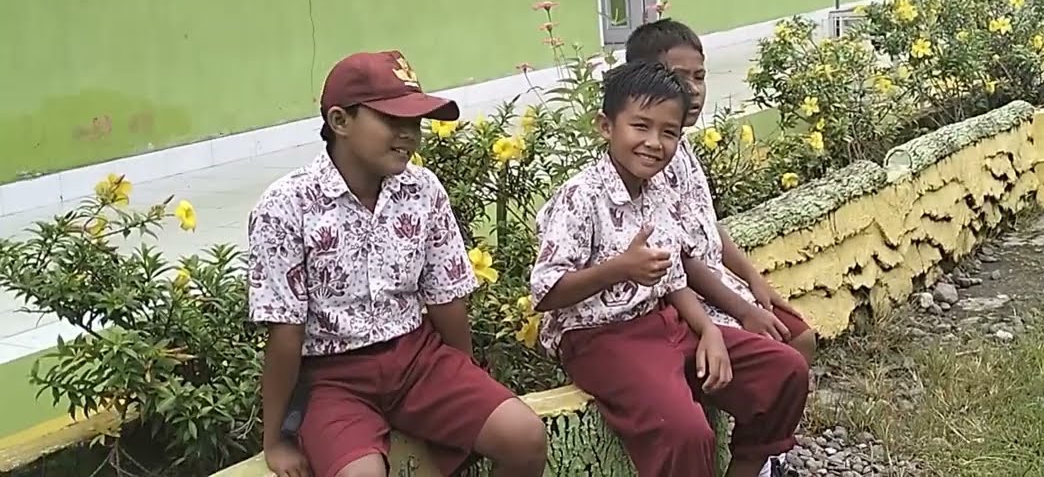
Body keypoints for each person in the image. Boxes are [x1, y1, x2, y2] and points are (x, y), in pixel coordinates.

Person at [248, 50, 547, 477]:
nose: (408, 134)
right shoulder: (286, 205)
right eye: (392, 120)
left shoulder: (423, 190)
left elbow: (446, 297)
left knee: (524, 437)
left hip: (418, 360)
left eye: (415, 122)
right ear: (340, 121)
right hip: (333, 379)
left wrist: (467, 380)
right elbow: (285, 332)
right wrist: (275, 438)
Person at [530, 60, 810, 477]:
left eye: (669, 132)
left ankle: (748, 467)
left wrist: (709, 330)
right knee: (685, 433)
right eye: (640, 127)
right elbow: (546, 291)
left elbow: (674, 278)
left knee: (785, 370)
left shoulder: (658, 191)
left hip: (665, 323)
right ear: (606, 126)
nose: (654, 143)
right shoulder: (580, 197)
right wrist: (619, 268)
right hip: (599, 338)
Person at [626, 19, 817, 477]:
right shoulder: (649, 159)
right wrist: (743, 309)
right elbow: (680, 260)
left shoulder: (682, 149)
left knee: (801, 338)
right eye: (679, 78)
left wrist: (754, 282)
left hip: (719, 285)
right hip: (688, 299)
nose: (693, 90)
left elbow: (709, 228)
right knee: (779, 347)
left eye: (700, 76)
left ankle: (763, 453)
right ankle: (752, 458)